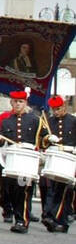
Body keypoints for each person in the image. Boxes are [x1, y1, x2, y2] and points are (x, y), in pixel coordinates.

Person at [0, 90, 45, 233]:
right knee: (13, 191)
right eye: (15, 101)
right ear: (11, 103)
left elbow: (44, 138)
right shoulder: (7, 121)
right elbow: (1, 142)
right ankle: (18, 217)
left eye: (20, 102)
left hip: (27, 161)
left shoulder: (35, 120)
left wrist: (48, 140)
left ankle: (22, 221)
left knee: (24, 191)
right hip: (12, 161)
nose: (17, 104)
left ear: (25, 103)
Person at [41, 96, 73, 232]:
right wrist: (48, 138)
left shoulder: (73, 121)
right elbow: (42, 139)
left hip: (69, 157)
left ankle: (58, 219)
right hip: (54, 157)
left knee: (64, 190)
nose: (56, 112)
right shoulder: (49, 122)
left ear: (64, 106)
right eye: (54, 109)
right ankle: (53, 218)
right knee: (52, 188)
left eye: (58, 109)